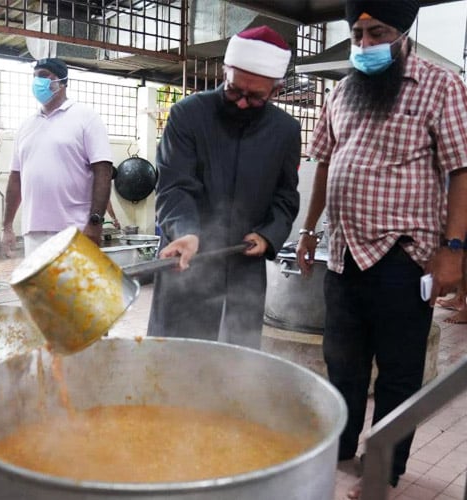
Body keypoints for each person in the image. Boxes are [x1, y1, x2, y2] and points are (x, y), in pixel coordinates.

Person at [295, 1, 467, 497]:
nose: (366, 45)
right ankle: (341, 446)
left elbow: (461, 170)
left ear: (403, 31)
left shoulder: (439, 85)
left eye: (378, 33)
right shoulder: (344, 91)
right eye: (359, 34)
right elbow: (325, 164)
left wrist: (453, 249)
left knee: (398, 372)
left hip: (404, 257)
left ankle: (383, 470)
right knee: (342, 363)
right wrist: (309, 231)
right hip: (344, 254)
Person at [146, 26, 300, 349]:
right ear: (224, 71)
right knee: (176, 360)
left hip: (244, 264)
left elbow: (286, 196)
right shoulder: (187, 115)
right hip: (188, 260)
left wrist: (269, 234)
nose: (242, 103)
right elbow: (174, 187)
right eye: (234, 90)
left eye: (255, 97)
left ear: (276, 89)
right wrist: (186, 231)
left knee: (237, 363)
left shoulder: (285, 131)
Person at [1, 58, 114, 256]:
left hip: (75, 229)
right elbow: (15, 178)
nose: (38, 82)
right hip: (34, 232)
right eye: (35, 77)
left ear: (62, 81)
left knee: (74, 287)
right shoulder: (26, 126)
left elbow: (103, 171)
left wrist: (95, 222)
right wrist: (7, 226)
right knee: (41, 288)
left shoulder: (86, 118)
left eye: (44, 76)